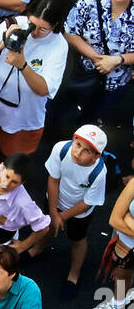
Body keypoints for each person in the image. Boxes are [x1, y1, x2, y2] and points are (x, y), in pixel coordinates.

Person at [0, 0, 69, 155]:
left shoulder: (59, 45)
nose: (34, 32)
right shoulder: (13, 24)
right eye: (32, 25)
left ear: (55, 26)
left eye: (42, 29)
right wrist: (1, 44)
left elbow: (44, 89)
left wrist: (22, 65)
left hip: (21, 118)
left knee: (10, 164)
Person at [62, 0, 134, 122]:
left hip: (116, 81)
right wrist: (98, 59)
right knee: (66, 114)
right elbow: (69, 32)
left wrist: (118, 59)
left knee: (90, 118)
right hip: (82, 74)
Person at [44, 124, 108, 296]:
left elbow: (87, 203)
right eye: (77, 144)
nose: (77, 152)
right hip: (55, 200)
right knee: (47, 225)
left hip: (79, 212)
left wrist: (61, 216)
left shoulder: (99, 172)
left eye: (86, 151)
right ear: (73, 139)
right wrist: (53, 212)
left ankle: (74, 274)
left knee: (78, 240)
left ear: (96, 156)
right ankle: (37, 248)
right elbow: (53, 180)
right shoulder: (61, 149)